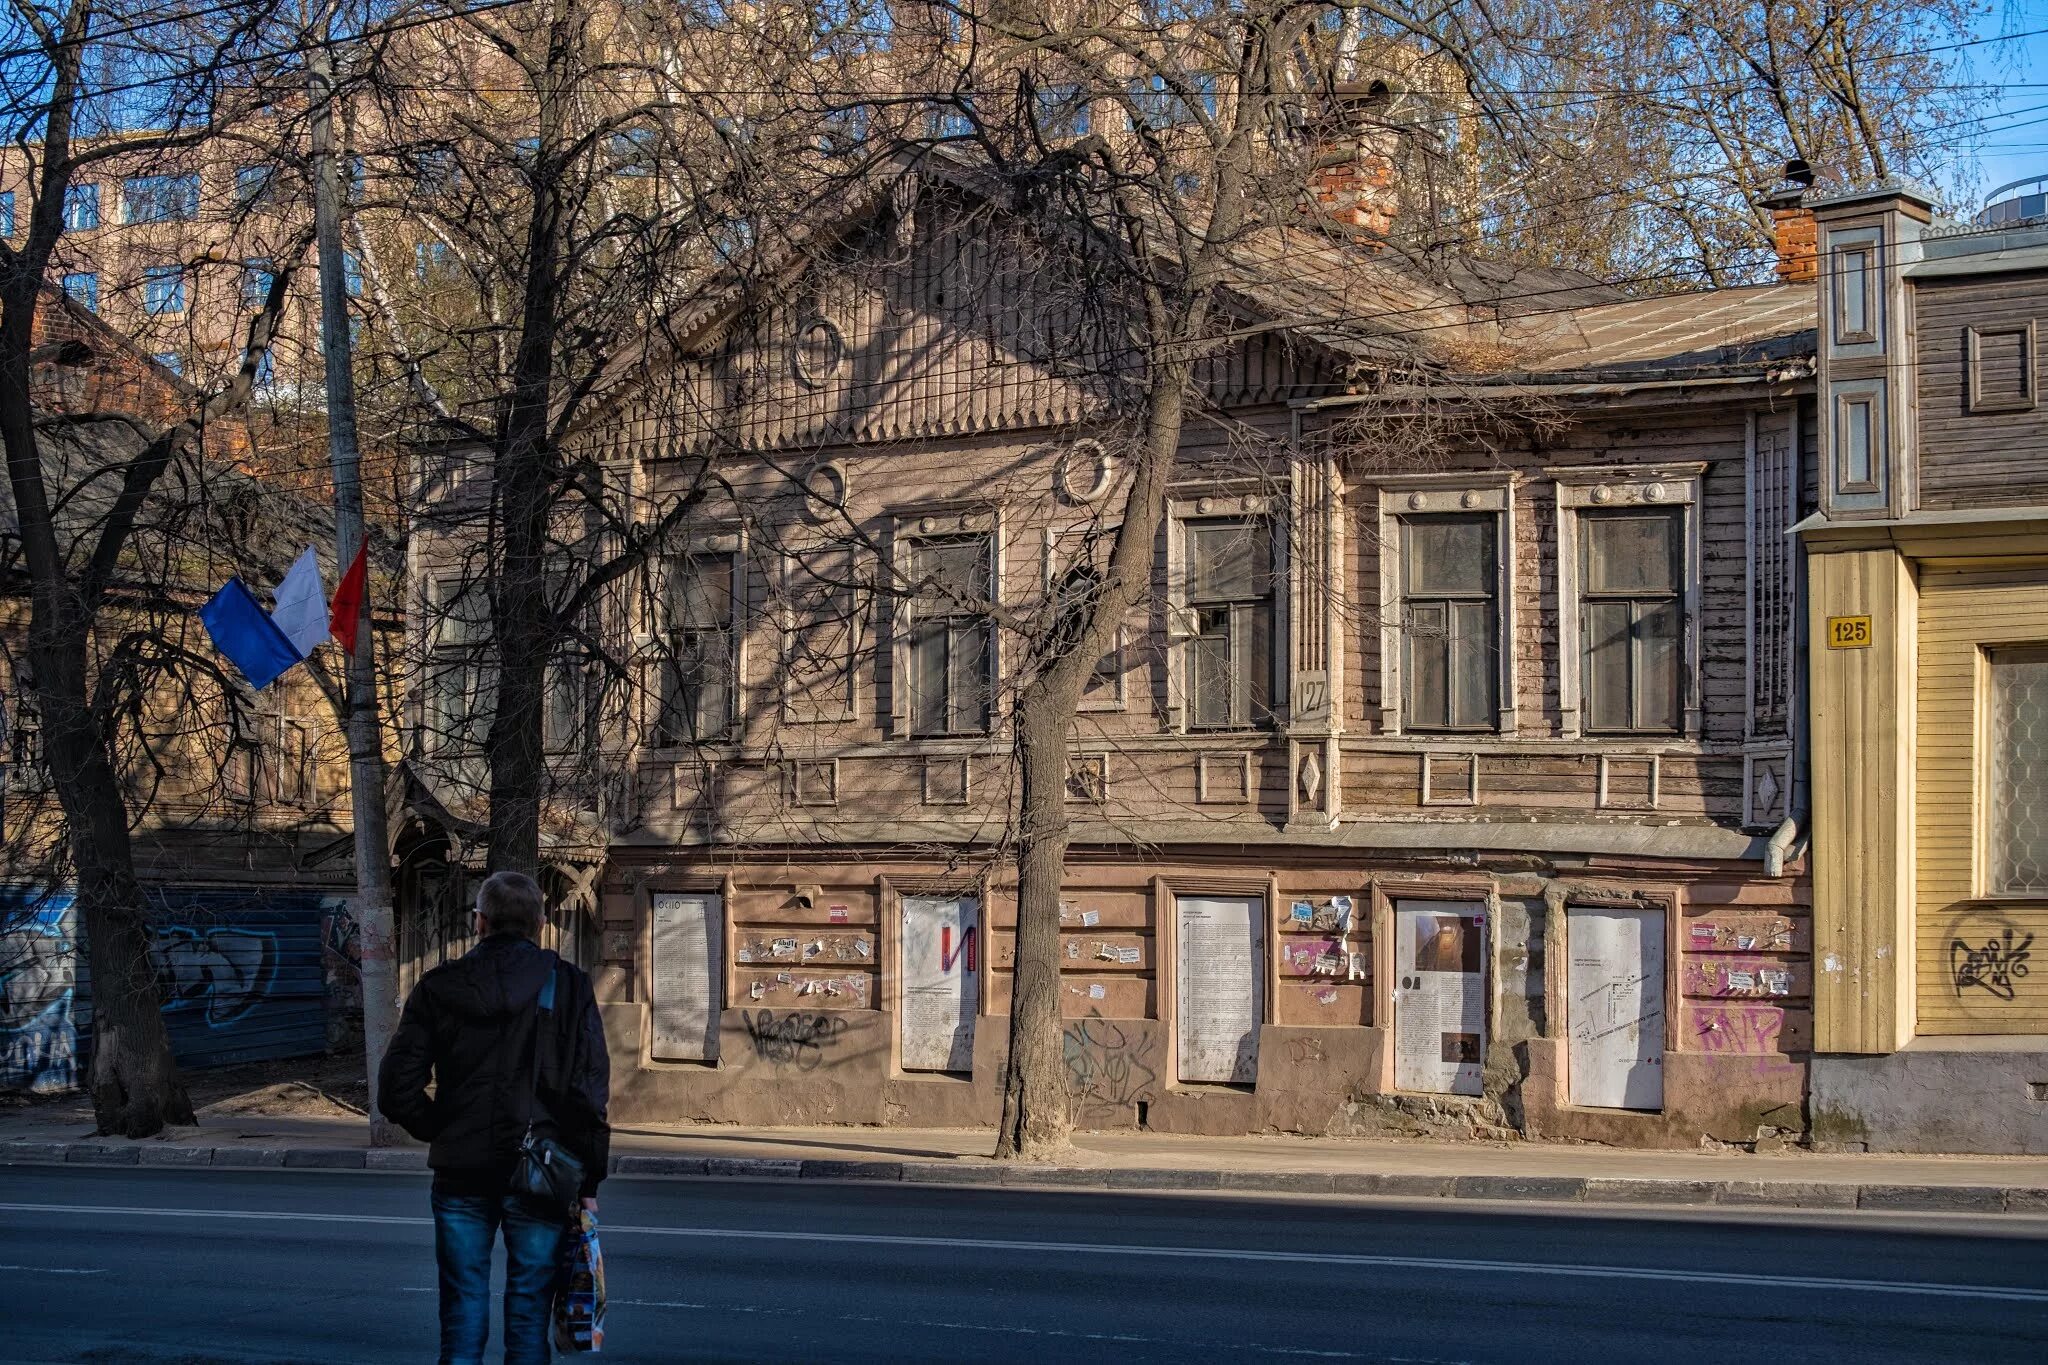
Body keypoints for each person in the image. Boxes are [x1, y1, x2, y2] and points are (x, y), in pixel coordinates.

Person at [380, 870, 611, 1365]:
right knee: (529, 1310)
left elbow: (396, 1089)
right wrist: (588, 1177)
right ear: (540, 924)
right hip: (543, 1174)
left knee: (462, 1307)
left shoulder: (439, 986)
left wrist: (440, 1127)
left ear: (479, 922)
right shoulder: (569, 986)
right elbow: (588, 1092)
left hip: (461, 1172)